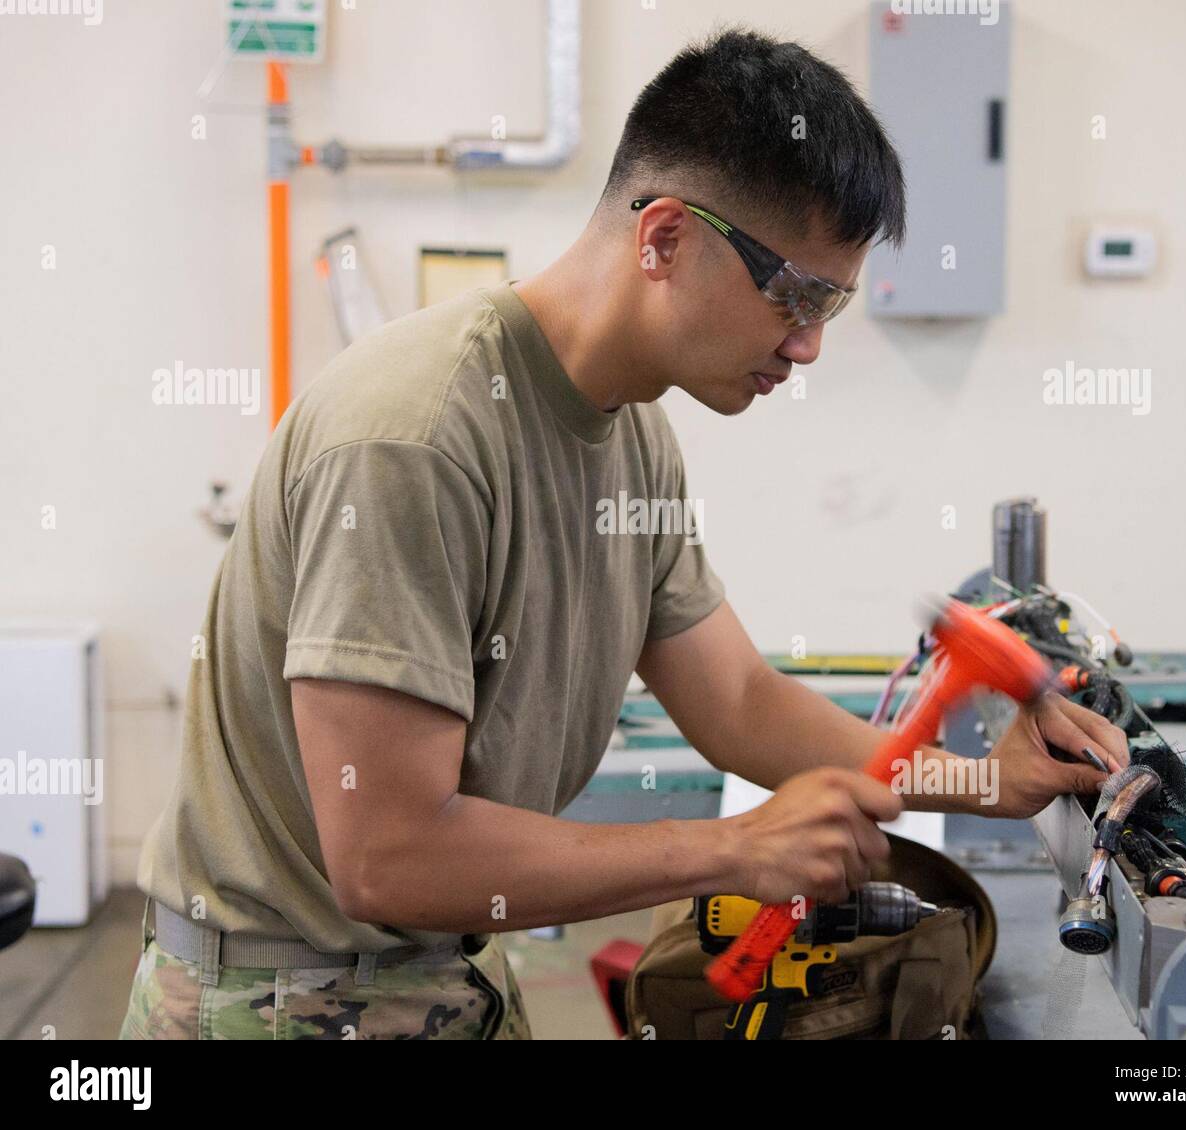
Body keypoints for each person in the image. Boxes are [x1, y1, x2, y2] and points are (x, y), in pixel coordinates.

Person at [121, 27, 1127, 1041]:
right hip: (280, 1002)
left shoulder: (632, 431)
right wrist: (732, 847)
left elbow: (737, 700)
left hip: (446, 974)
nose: (808, 342)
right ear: (664, 239)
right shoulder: (414, 438)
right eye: (795, 292)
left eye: (834, 302)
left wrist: (980, 781)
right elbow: (389, 852)